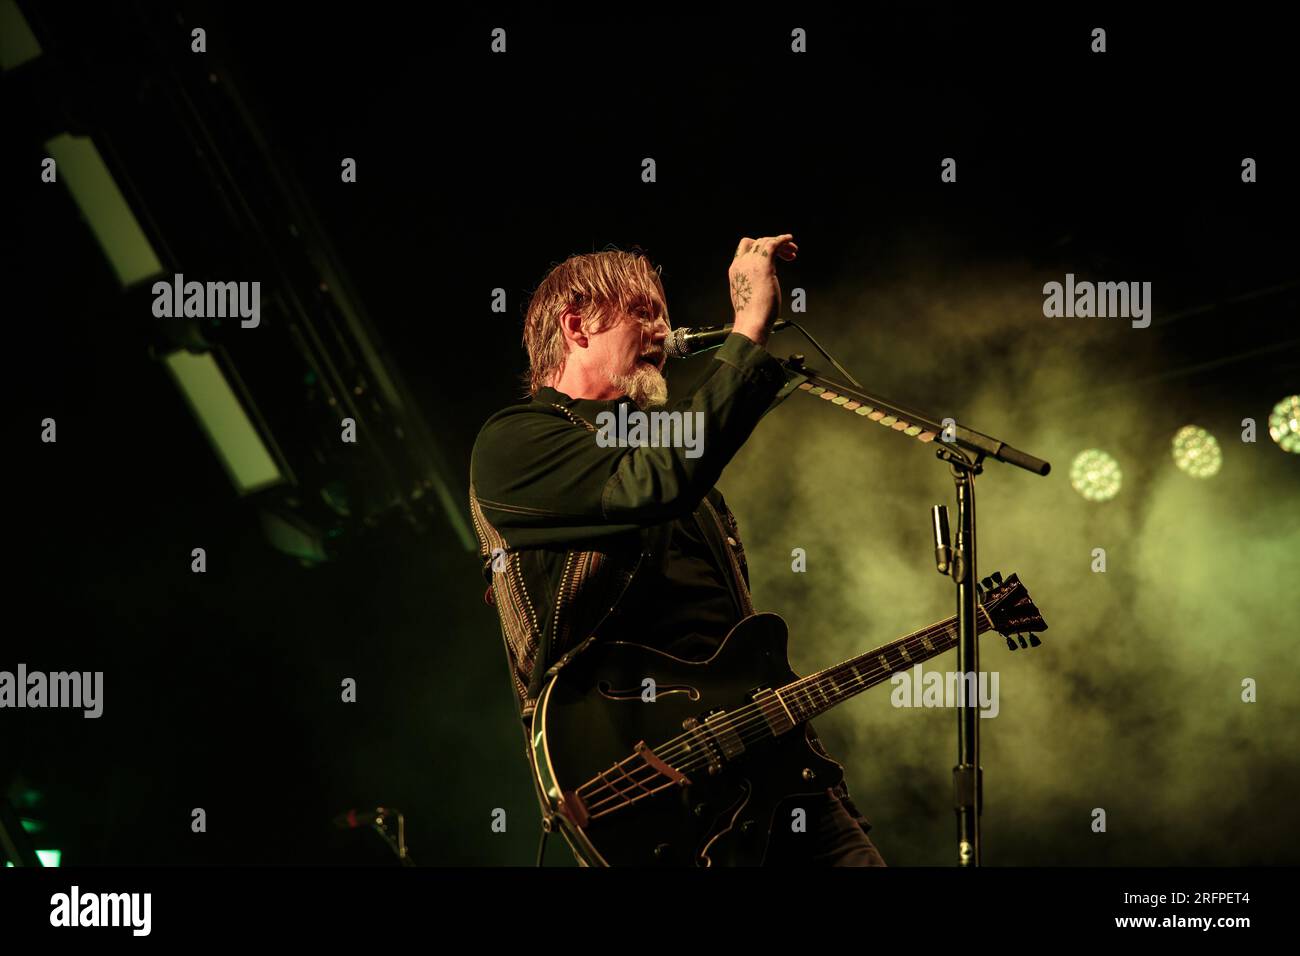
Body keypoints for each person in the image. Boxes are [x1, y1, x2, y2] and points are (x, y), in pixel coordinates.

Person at [469, 236, 885, 866]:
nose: (665, 330)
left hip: (772, 770)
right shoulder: (516, 441)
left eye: (663, 313)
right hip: (650, 786)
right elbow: (652, 483)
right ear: (576, 324)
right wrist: (749, 329)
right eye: (643, 311)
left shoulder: (671, 462)